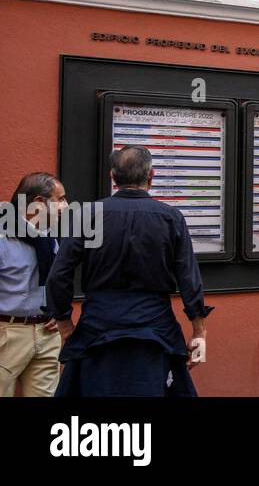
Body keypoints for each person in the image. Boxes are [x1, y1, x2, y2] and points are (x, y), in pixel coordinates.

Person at [46, 146, 211, 396]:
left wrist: (65, 325)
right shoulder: (171, 218)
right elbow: (189, 278)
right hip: (155, 330)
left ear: (113, 177)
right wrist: (199, 333)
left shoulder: (88, 215)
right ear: (151, 176)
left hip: (98, 328)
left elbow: (59, 274)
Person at [0, 173, 66, 396]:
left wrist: (57, 312)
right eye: (61, 199)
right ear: (39, 203)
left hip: (47, 334)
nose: (66, 206)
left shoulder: (49, 236)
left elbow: (56, 281)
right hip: (8, 333)